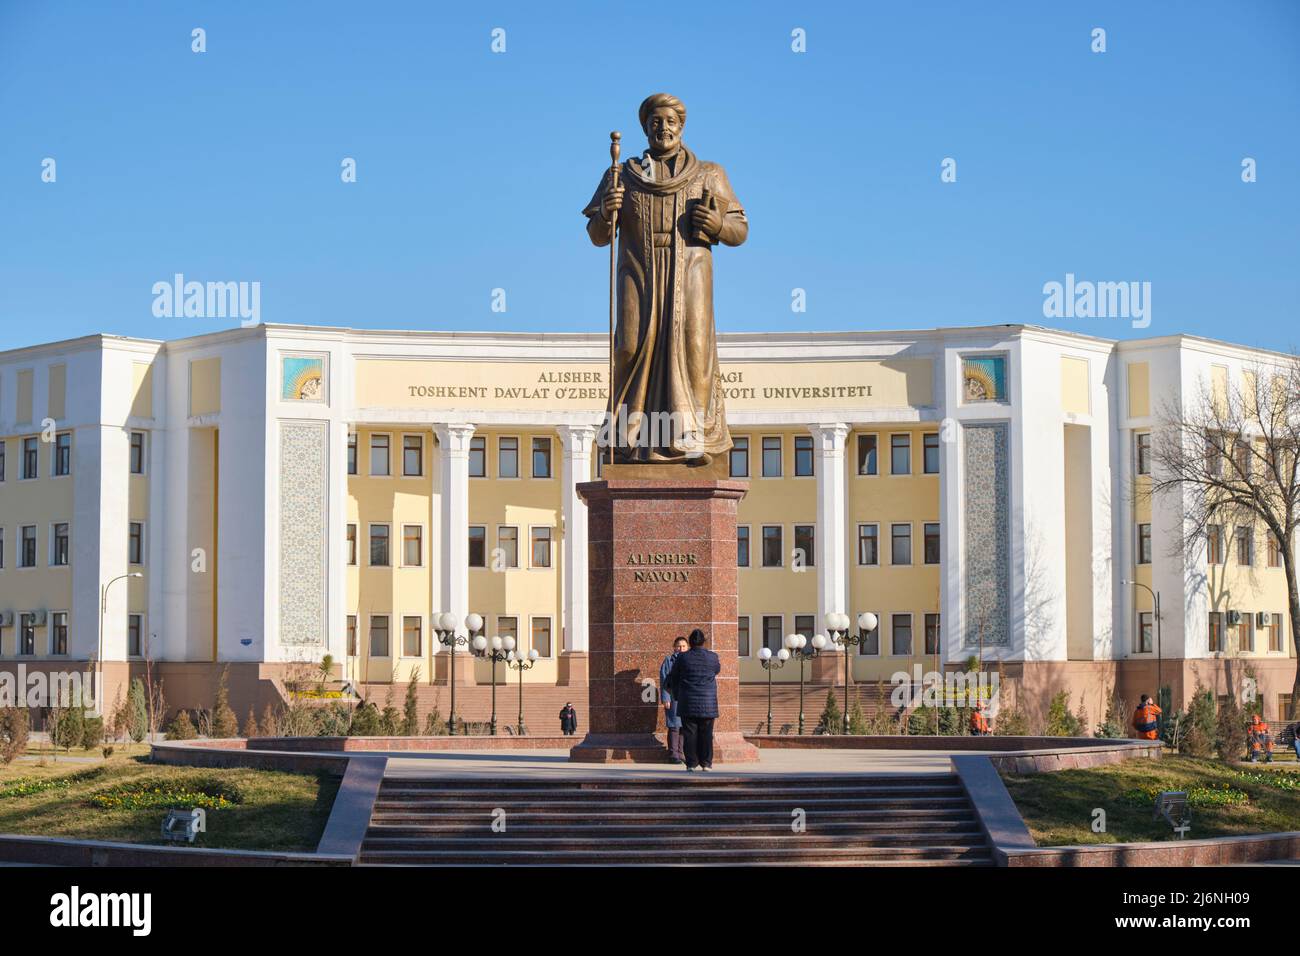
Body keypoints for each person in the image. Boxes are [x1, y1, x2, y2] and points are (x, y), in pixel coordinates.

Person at [669, 628, 721, 771]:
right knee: (706, 734)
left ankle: (691, 763)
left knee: (690, 734)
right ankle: (706, 763)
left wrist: (676, 695)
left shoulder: (682, 657)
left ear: (690, 642)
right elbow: (716, 670)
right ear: (703, 642)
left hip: (688, 702)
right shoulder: (712, 657)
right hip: (708, 703)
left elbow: (674, 676)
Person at [659, 636, 689, 763]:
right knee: (674, 726)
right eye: (678, 646)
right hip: (673, 697)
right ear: (674, 647)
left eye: (683, 646)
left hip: (687, 698)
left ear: (687, 647)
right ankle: (673, 754)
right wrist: (665, 698)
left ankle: (681, 754)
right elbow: (664, 680)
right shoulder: (669, 660)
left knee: (684, 727)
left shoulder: (690, 659)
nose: (681, 648)